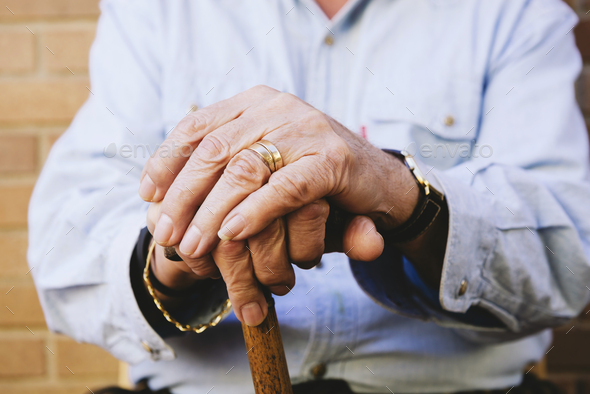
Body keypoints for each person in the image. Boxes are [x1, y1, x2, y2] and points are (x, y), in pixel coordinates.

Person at [28, 0, 590, 393]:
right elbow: (64, 248)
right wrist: (176, 248)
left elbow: (572, 261)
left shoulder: (512, 11)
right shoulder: (159, 9)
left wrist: (403, 194)